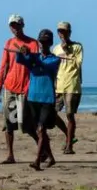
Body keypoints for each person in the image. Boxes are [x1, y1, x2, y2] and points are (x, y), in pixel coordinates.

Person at [0, 14, 39, 164]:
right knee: (8, 123)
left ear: (22, 25)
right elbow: (4, 66)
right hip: (9, 86)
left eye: (17, 25)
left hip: (25, 87)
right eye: (12, 25)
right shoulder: (9, 43)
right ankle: (10, 155)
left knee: (26, 125)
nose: (15, 28)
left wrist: (28, 54)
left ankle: (42, 149)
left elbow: (35, 64)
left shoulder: (33, 43)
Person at [15, 29, 62, 170]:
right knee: (37, 130)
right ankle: (52, 158)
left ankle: (37, 160)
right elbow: (20, 60)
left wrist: (33, 57)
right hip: (32, 98)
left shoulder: (55, 59)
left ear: (50, 43)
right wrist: (22, 51)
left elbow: (45, 66)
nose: (43, 44)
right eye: (41, 42)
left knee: (41, 129)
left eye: (46, 42)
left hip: (47, 99)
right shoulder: (33, 57)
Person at [53, 21, 83, 155]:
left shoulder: (77, 47)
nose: (62, 34)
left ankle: (69, 145)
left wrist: (67, 50)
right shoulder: (55, 49)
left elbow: (78, 63)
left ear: (69, 32)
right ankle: (69, 135)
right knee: (51, 114)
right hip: (58, 85)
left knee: (70, 115)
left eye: (64, 31)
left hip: (72, 85)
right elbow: (53, 67)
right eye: (60, 31)